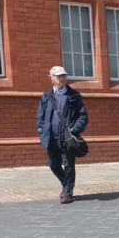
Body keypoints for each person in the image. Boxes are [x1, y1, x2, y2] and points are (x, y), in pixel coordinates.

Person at [36, 66, 88, 204]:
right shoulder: (46, 96)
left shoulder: (74, 96)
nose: (62, 78)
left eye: (64, 75)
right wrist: (41, 131)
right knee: (53, 164)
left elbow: (82, 116)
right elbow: (40, 117)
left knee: (69, 165)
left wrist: (74, 129)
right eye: (59, 76)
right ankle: (67, 184)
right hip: (51, 137)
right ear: (51, 77)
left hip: (67, 136)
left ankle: (67, 193)